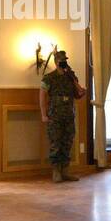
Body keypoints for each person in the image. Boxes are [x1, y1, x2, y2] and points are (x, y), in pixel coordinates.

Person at [40, 49, 85, 183]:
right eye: (61, 61)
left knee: (67, 143)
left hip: (69, 115)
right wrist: (43, 114)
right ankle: (56, 172)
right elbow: (42, 96)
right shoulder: (49, 78)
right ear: (56, 62)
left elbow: (79, 94)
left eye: (65, 60)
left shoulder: (71, 77)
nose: (63, 63)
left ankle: (65, 171)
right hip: (55, 115)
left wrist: (74, 80)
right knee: (55, 143)